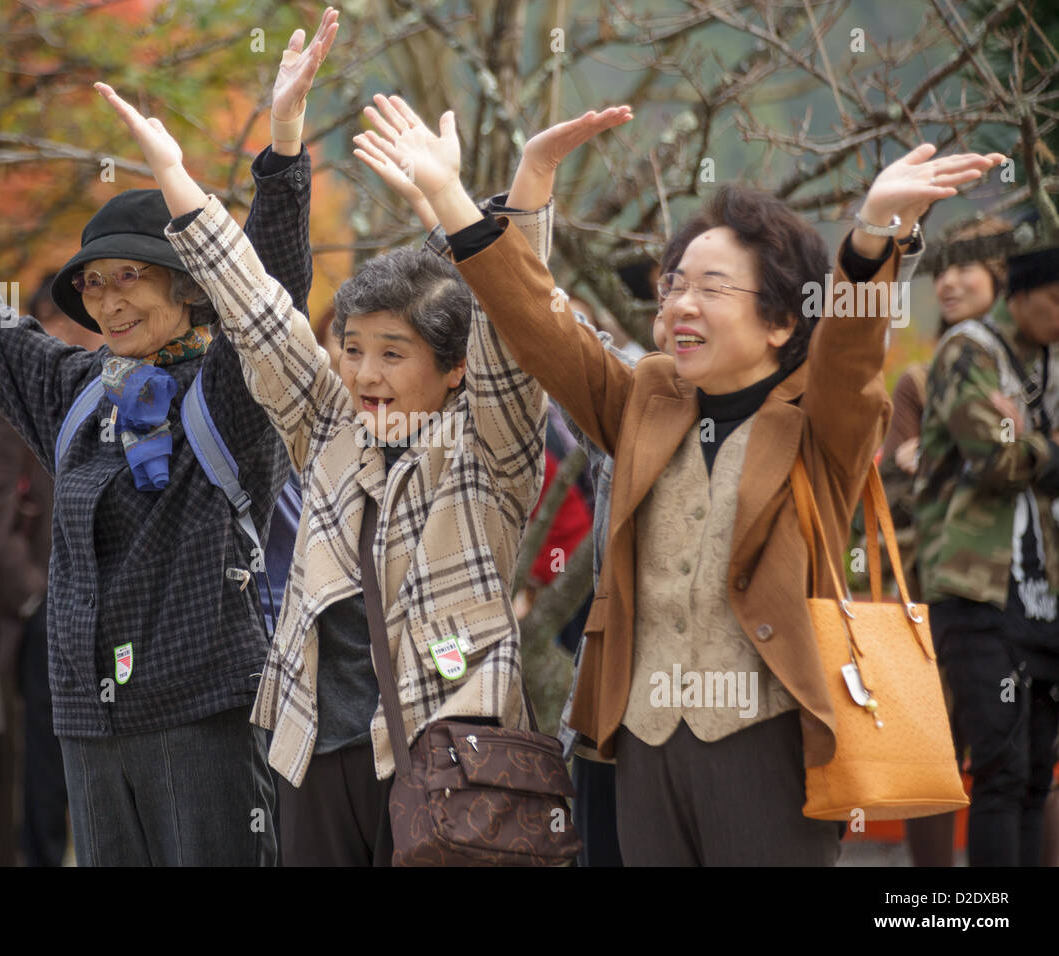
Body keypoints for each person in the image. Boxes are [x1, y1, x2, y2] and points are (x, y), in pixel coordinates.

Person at [378, 104, 1002, 863]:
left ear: (780, 322)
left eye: (711, 287)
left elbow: (851, 356)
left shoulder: (821, 424)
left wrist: (872, 238)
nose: (680, 305)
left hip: (764, 744)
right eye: (673, 286)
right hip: (641, 746)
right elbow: (543, 325)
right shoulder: (646, 397)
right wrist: (453, 200)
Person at [0, 8, 337, 866]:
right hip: (90, 719)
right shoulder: (78, 391)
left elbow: (273, 293)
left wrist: (282, 146)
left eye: (133, 277)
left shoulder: (235, 389)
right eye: (94, 284)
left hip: (207, 709)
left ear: (191, 289)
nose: (110, 299)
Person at [96, 79, 628, 864]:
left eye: (392, 352)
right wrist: (180, 179)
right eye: (352, 350)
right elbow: (259, 314)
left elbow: (518, 334)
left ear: (452, 370)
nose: (365, 373)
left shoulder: (487, 447)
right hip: (319, 748)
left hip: (448, 749)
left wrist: (521, 188)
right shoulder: (330, 426)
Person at [914, 242, 1059, 866]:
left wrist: (1034, 440)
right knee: (998, 772)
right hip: (975, 589)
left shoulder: (1047, 363)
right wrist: (1047, 448)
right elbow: (996, 458)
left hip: (1042, 594)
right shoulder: (967, 349)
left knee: (1035, 775)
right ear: (1018, 295)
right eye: (1055, 299)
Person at [0, 276, 100, 866]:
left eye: (74, 321)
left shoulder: (136, 390)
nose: (62, 336)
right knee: (47, 759)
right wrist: (35, 596)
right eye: (50, 322)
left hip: (125, 615)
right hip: (52, 611)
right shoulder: (21, 405)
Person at [877, 216, 1007, 866]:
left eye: (968, 267)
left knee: (1024, 757)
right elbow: (891, 479)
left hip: (1019, 589)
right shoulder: (919, 384)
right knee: (932, 749)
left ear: (1003, 278)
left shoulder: (1036, 376)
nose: (950, 281)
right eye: (944, 268)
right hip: (934, 593)